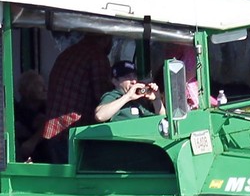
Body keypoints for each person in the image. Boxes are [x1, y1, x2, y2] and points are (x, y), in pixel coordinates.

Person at [32, 31, 112, 163]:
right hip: (72, 133)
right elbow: (102, 96)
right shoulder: (96, 56)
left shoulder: (68, 53)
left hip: (54, 129)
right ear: (106, 39)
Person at [94, 60, 159, 122]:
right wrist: (128, 97)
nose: (133, 81)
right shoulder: (113, 96)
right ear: (115, 81)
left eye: (134, 76)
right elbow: (100, 116)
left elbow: (162, 122)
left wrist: (156, 99)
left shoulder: (138, 100)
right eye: (128, 77)